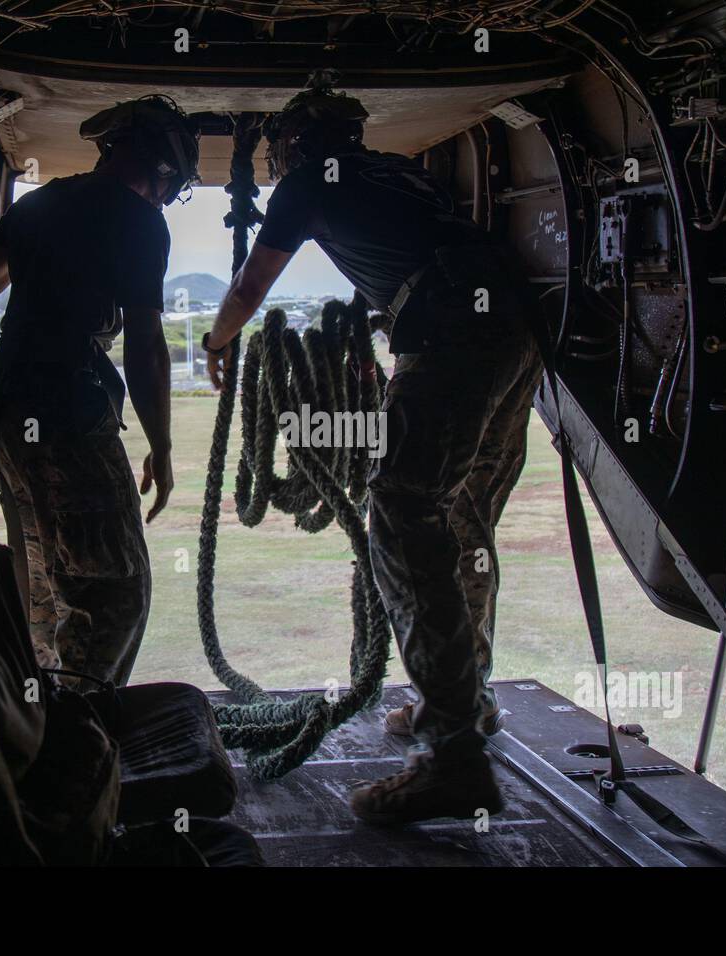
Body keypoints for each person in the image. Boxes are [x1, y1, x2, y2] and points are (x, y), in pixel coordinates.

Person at [202, 84, 542, 824]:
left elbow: (251, 283)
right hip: (511, 334)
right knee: (461, 515)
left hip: (449, 336)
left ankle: (454, 754)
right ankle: (468, 702)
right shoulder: (399, 170)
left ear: (293, 142)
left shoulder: (304, 183)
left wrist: (217, 341)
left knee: (401, 516)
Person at [0, 95, 199, 686]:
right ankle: (82, 732)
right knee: (115, 590)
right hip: (67, 408)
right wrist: (160, 445)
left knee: (41, 577)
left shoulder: (44, 202)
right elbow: (144, 342)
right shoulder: (139, 221)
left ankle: (41, 715)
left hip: (7, 407)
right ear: (163, 167)